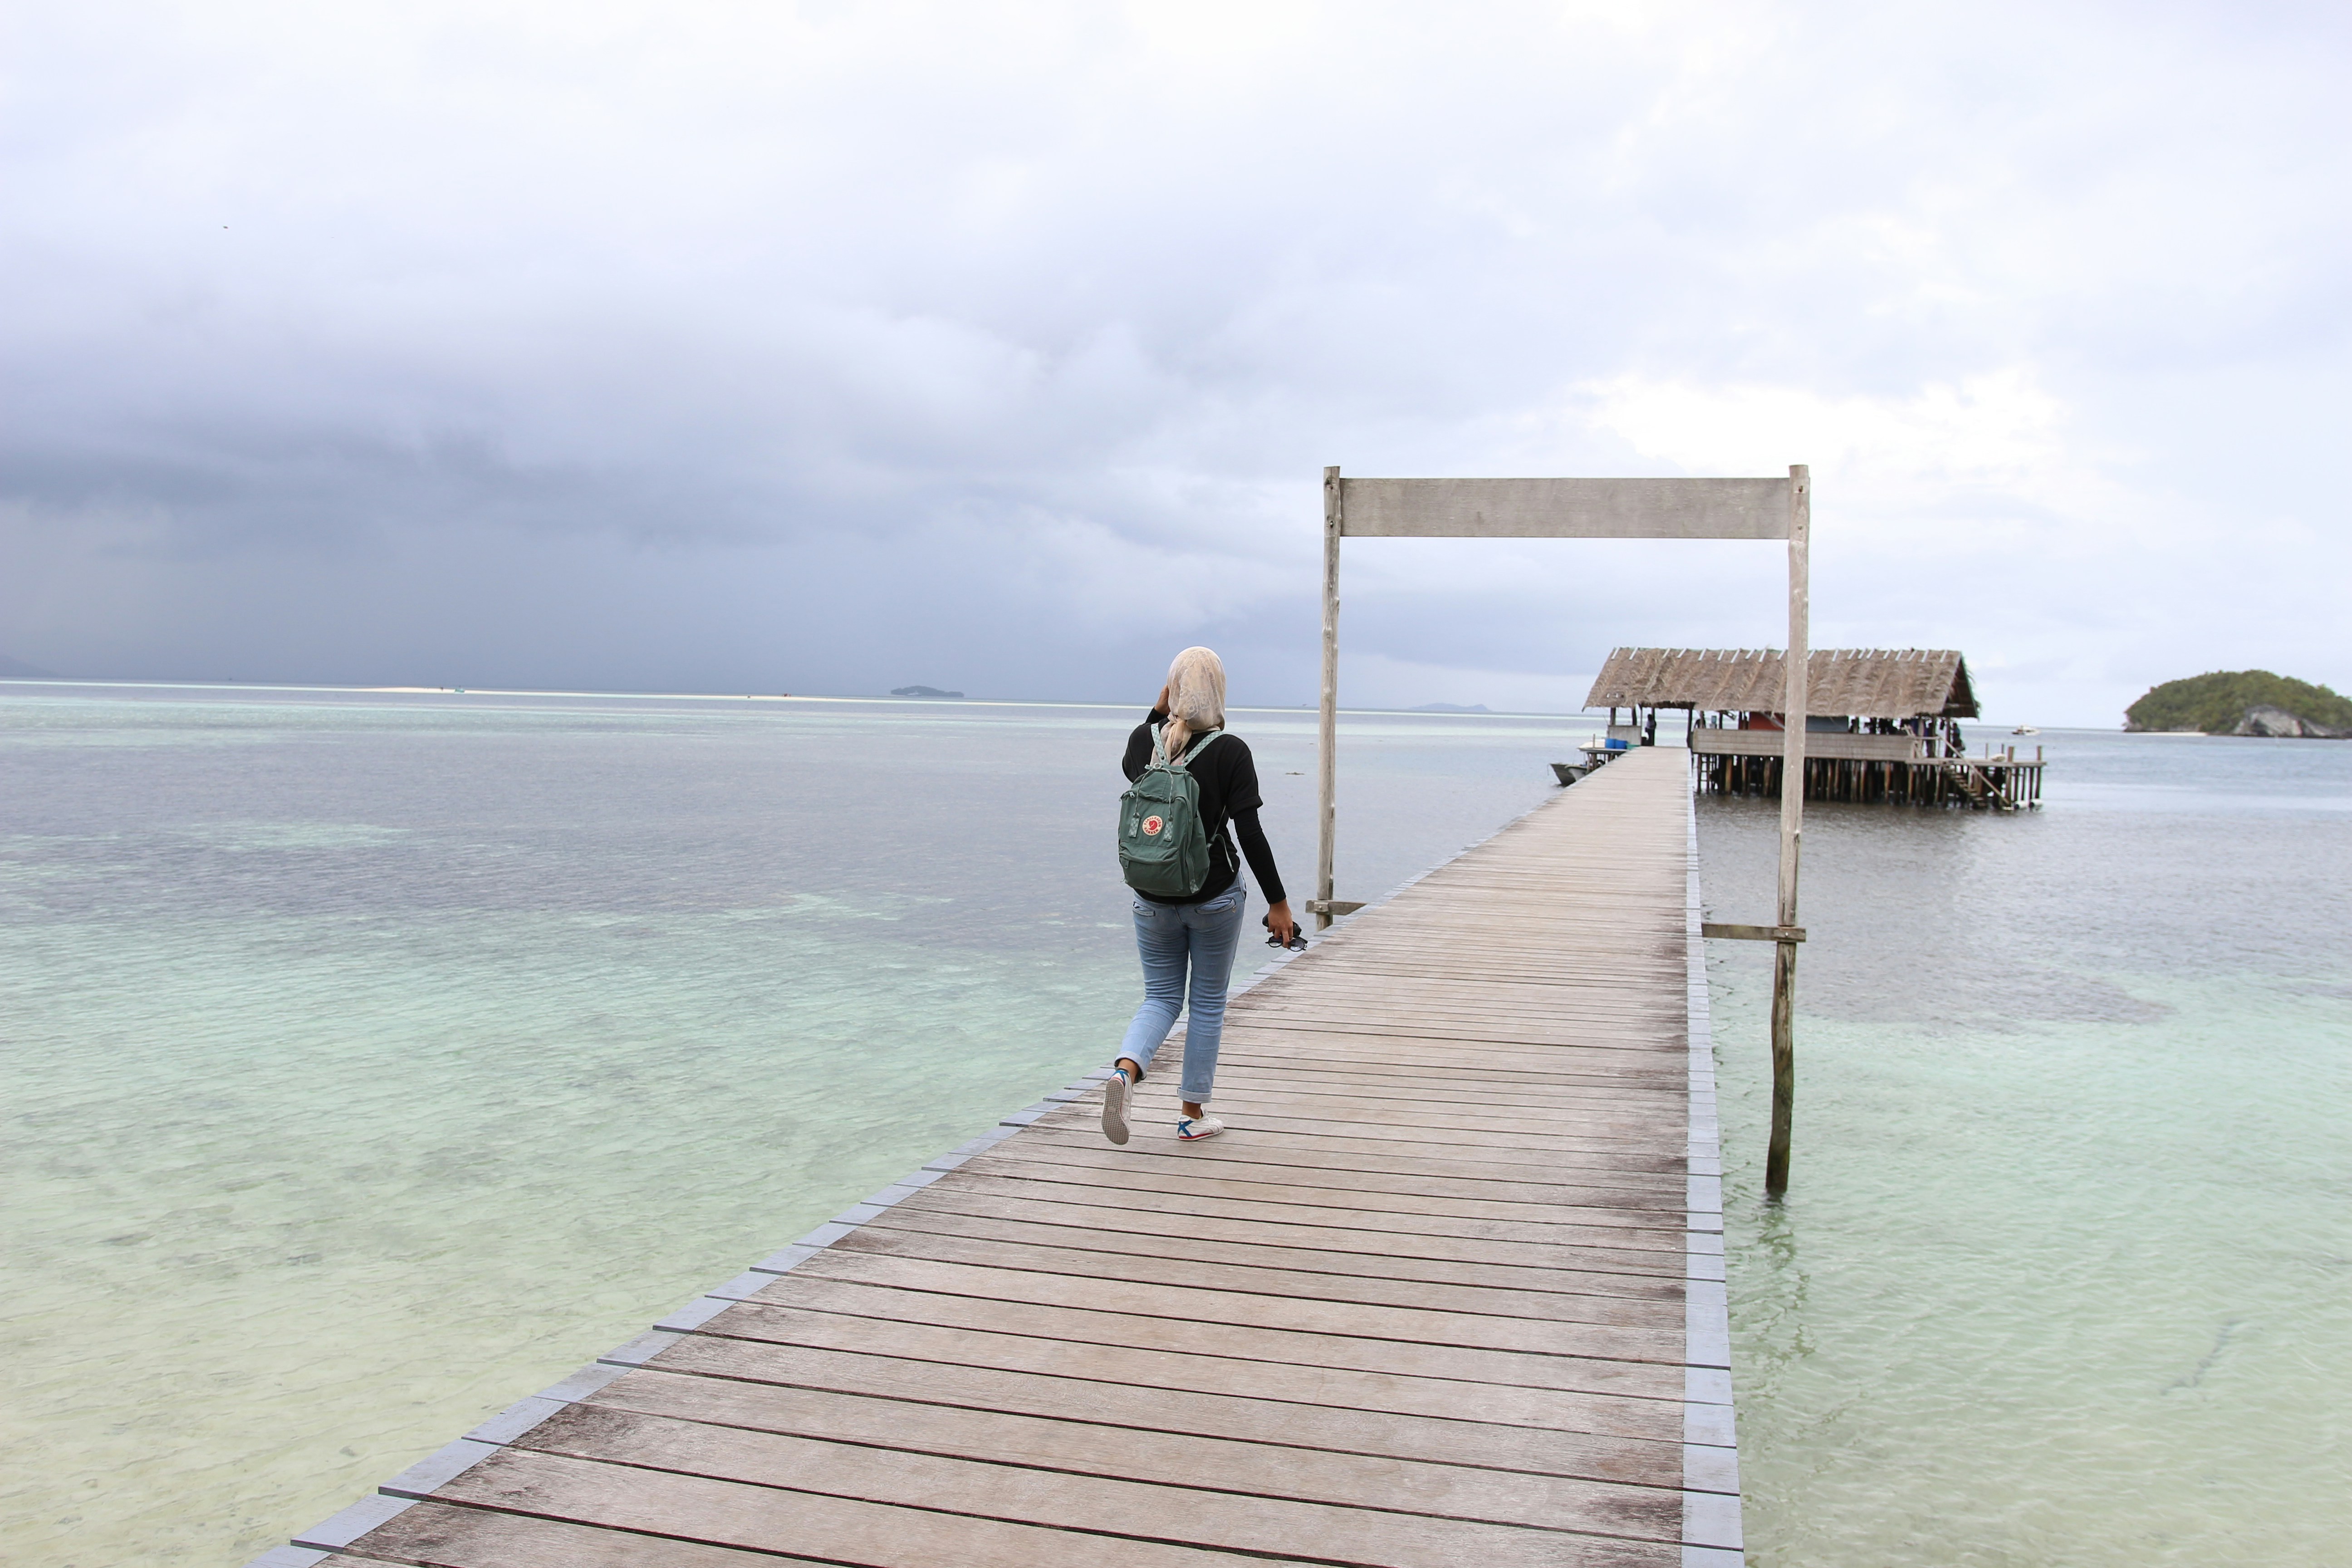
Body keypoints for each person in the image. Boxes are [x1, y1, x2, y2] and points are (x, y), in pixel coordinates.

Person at [1101, 647, 1295, 1146]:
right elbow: (1250, 834)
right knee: (1206, 1003)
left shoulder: (1142, 743)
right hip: (1214, 898)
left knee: (1160, 997)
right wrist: (1279, 903)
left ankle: (1126, 1073)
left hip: (1151, 894)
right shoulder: (1231, 752)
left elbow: (1136, 764)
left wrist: (1158, 709)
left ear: (1173, 690)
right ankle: (1191, 1116)